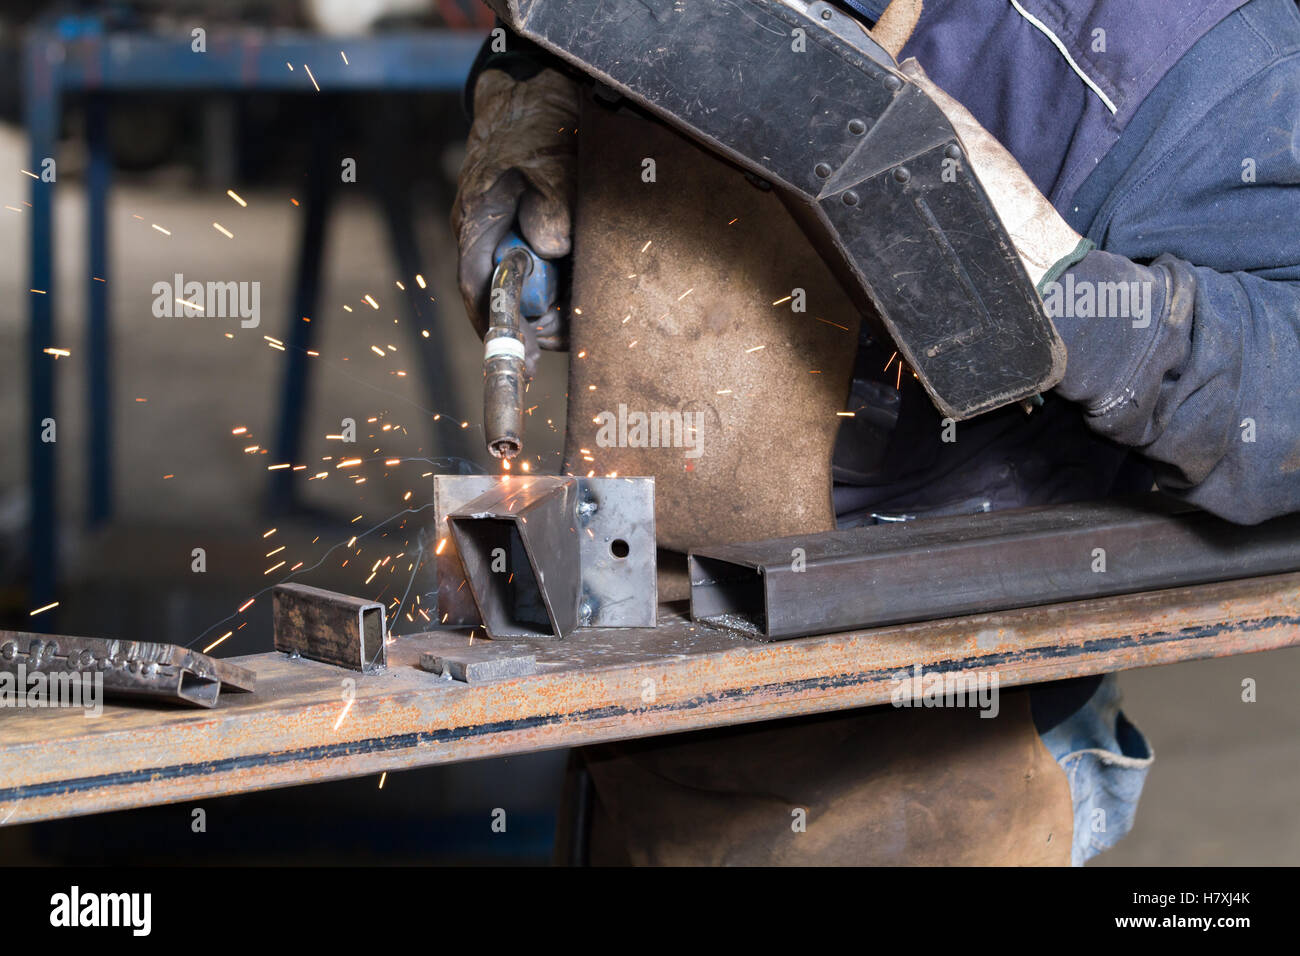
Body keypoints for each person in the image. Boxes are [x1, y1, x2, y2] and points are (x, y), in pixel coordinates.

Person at [452, 0, 1300, 864]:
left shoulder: (1197, 56)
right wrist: (530, 93)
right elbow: (543, 30)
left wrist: (1062, 289)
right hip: (645, 702)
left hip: (942, 744)